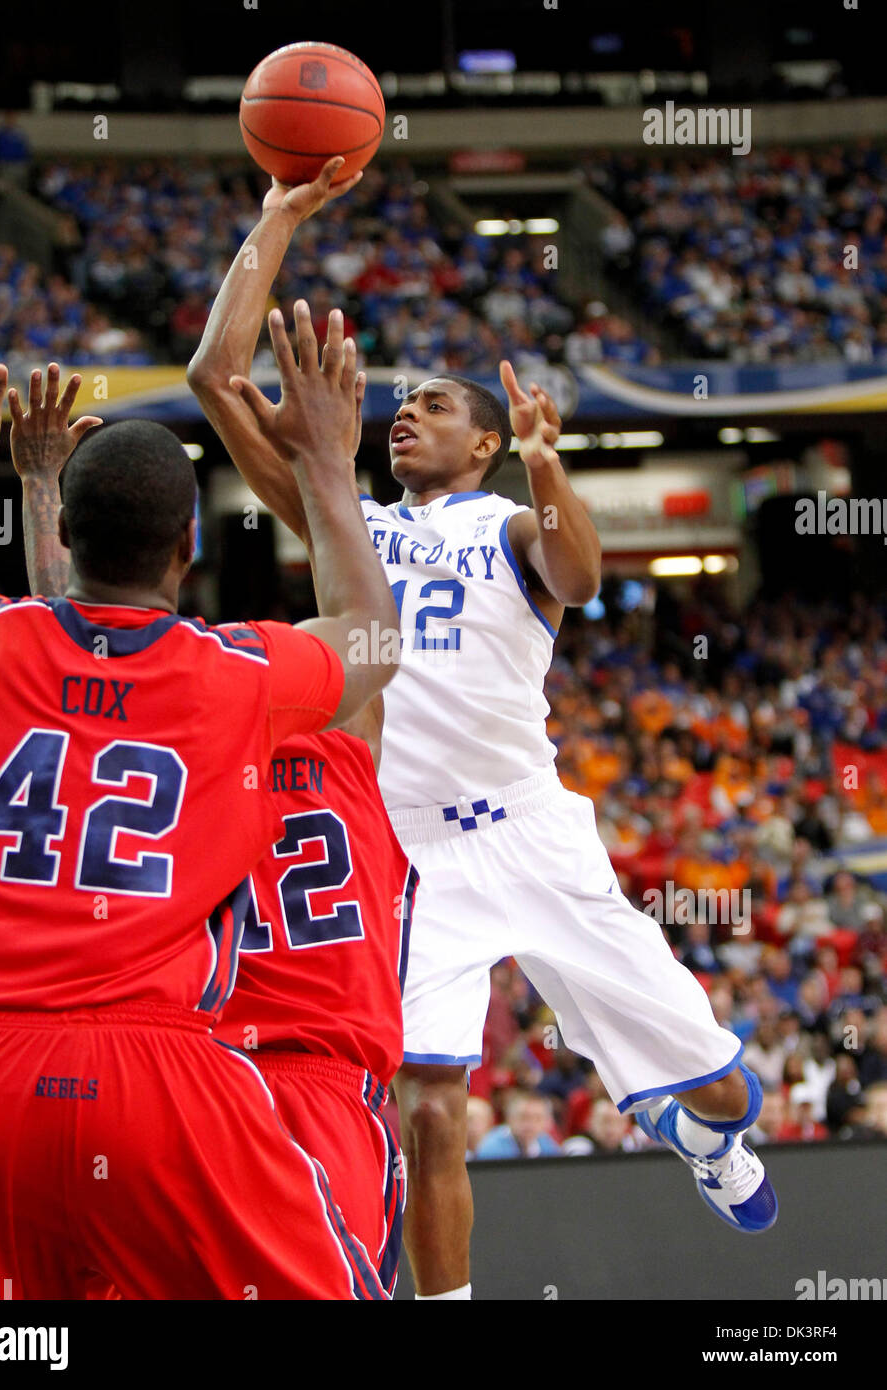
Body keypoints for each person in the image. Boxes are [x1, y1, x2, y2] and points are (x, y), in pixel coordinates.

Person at [189, 160, 777, 1302]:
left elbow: (581, 573)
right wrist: (273, 219)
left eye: (438, 405)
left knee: (722, 1088)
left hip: (529, 829)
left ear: (485, 446)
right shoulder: (342, 518)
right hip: (406, 856)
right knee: (428, 1106)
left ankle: (700, 1130)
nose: (407, 411)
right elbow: (216, 379)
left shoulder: (510, 519)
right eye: (400, 401)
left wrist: (553, 467)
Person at [0, 307, 398, 1299]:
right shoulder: (239, 677)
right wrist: (321, 459)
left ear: (65, 534)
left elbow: (63, 626)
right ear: (187, 549)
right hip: (159, 1080)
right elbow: (372, 637)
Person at [474, 1092, 561, 1160]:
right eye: (524, 1117)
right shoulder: (492, 1148)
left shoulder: (546, 1144)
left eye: (537, 1118)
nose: (530, 1124)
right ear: (510, 1119)